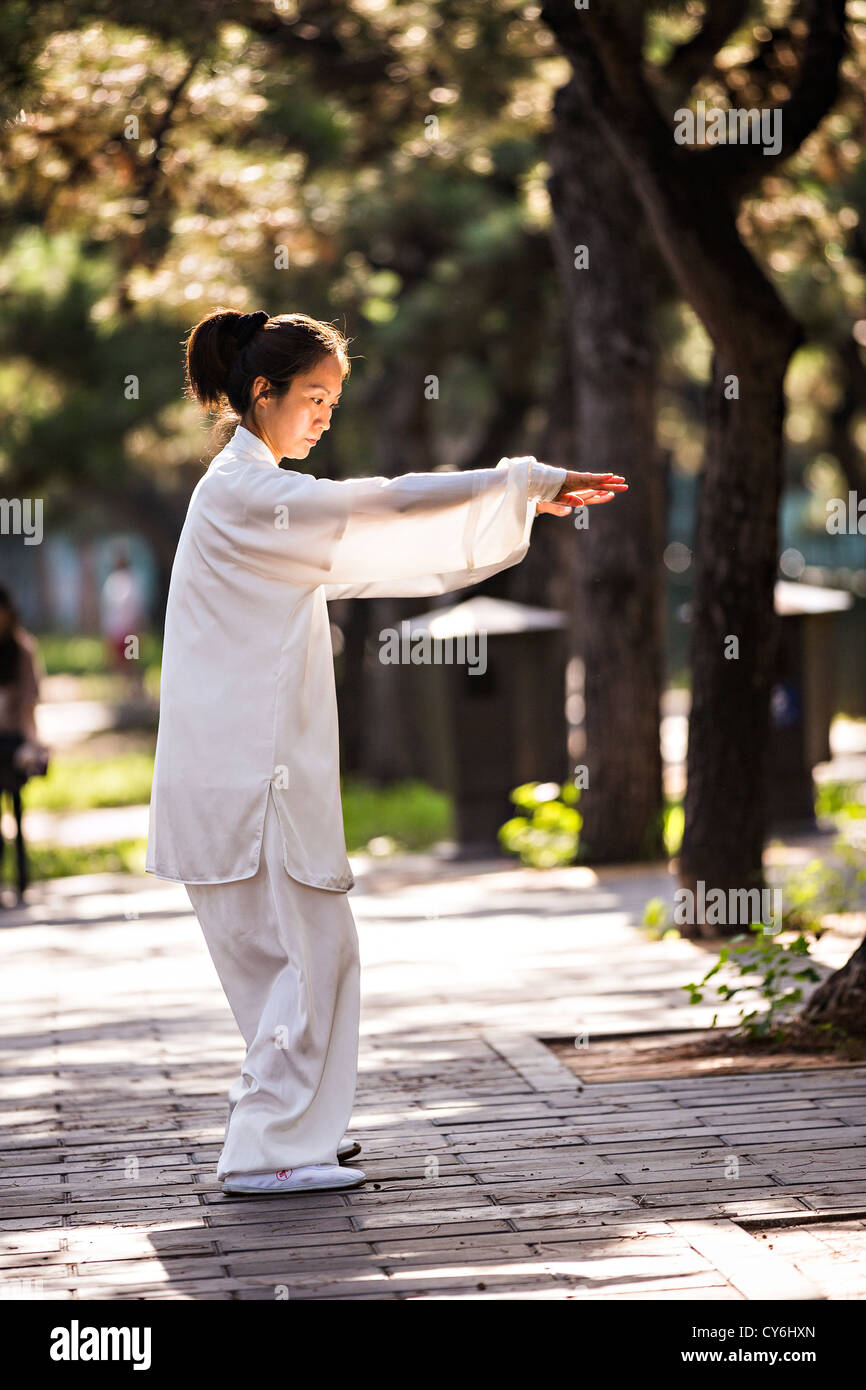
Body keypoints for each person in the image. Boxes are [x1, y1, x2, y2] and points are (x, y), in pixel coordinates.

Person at [145, 307, 627, 1198]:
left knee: (282, 963)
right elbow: (384, 499)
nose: (326, 414)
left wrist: (517, 500)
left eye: (334, 398)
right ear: (263, 392)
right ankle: (270, 1148)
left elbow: (382, 549)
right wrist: (522, 479)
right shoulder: (252, 496)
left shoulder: (247, 497)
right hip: (254, 783)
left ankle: (296, 1133)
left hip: (232, 778)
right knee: (311, 956)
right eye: (315, 396)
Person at [0, 586, 47, 906]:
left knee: (17, 811)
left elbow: (30, 704)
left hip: (13, 743)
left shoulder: (23, 649)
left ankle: (21, 882)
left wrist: (33, 743)